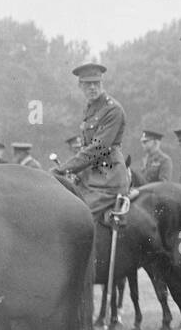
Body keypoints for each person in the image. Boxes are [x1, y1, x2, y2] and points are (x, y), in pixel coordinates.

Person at [53, 63, 131, 226]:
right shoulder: (91, 108)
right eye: (88, 84)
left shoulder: (113, 110)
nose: (93, 88)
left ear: (102, 83)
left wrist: (63, 169)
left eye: (97, 83)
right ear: (80, 86)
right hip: (90, 177)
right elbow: (86, 146)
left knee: (78, 217)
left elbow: (98, 148)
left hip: (108, 180)